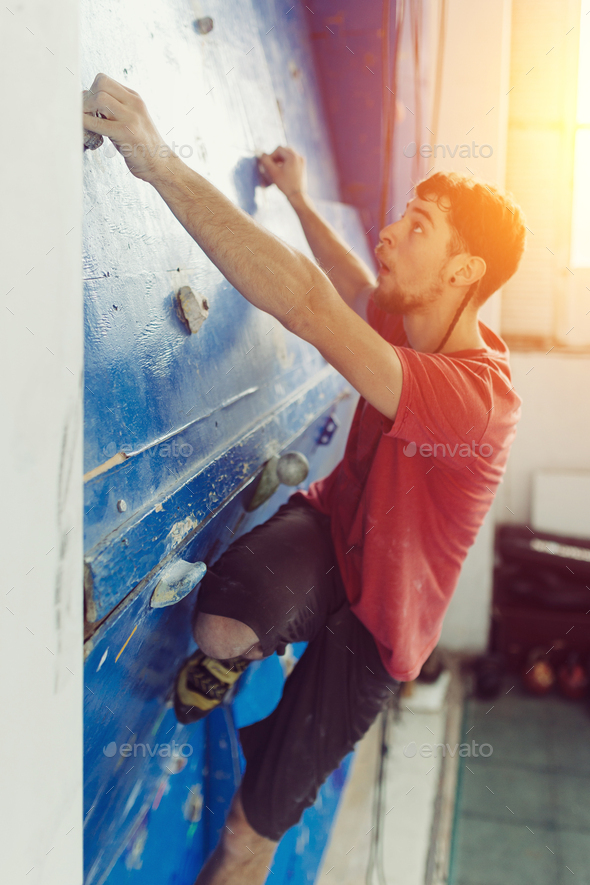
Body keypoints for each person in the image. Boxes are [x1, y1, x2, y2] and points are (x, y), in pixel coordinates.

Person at [83, 73, 526, 885]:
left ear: (464, 269)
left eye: (415, 226)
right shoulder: (413, 313)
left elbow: (316, 309)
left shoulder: (474, 401)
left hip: (376, 633)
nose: (391, 233)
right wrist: (295, 195)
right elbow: (353, 284)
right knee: (218, 626)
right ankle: (235, 657)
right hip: (335, 531)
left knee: (249, 834)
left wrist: (156, 159)